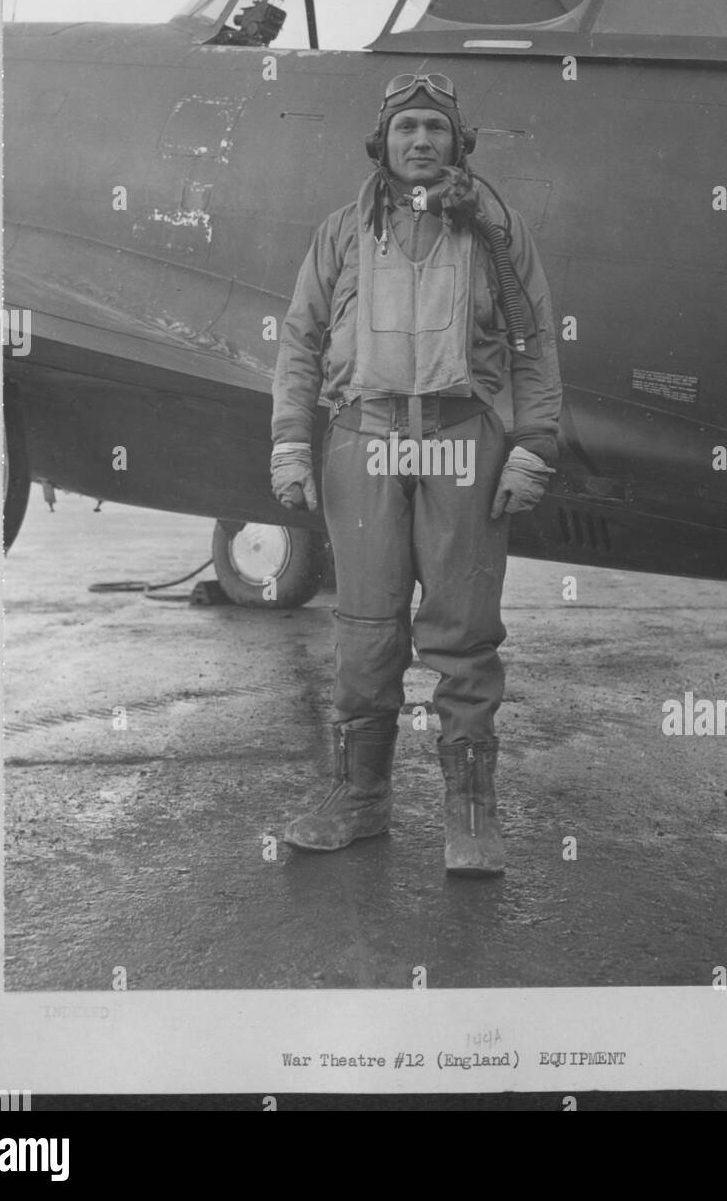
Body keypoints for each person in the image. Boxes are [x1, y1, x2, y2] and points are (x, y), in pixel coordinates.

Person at [270, 73, 562, 875]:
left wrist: (533, 445)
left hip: (463, 441)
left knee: (464, 634)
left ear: (458, 143)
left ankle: (470, 815)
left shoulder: (496, 235)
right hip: (363, 438)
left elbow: (534, 344)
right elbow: (299, 343)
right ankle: (357, 800)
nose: (421, 140)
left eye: (436, 126)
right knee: (365, 629)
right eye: (407, 129)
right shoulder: (340, 233)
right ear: (384, 144)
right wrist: (291, 442)